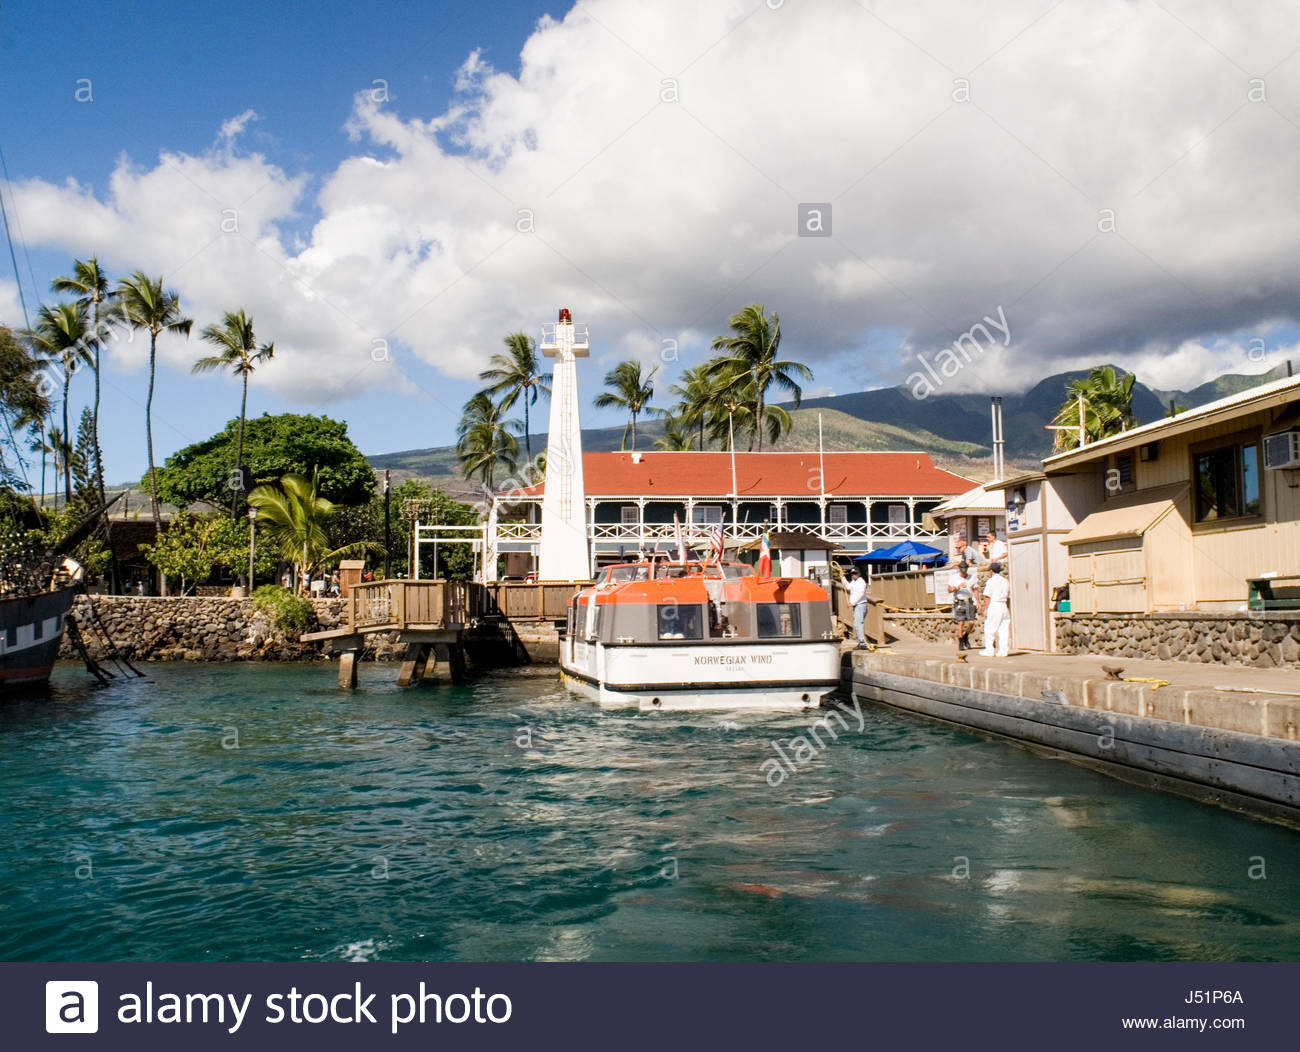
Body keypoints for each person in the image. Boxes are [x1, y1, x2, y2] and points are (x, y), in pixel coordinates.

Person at [979, 560, 1011, 657]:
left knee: (990, 629)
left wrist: (985, 609)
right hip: (1003, 605)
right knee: (1004, 629)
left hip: (994, 605)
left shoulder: (991, 581)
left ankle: (989, 650)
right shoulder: (1005, 581)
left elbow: (987, 596)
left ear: (991, 571)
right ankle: (1003, 651)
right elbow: (1008, 597)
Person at [947, 561, 977, 652]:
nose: (964, 571)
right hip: (959, 601)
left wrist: (978, 601)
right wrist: (957, 587)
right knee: (961, 623)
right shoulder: (954, 578)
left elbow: (975, 589)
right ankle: (961, 642)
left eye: (965, 569)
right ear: (960, 569)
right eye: (962, 569)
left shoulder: (971, 577)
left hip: (969, 601)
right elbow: (949, 590)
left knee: (971, 622)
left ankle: (965, 636)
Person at [848, 566, 868, 649]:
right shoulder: (853, 582)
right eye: (852, 574)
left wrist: (853, 603)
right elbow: (848, 587)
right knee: (856, 624)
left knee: (858, 623)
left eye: (855, 573)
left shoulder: (861, 582)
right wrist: (842, 578)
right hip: (856, 605)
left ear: (859, 574)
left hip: (860, 605)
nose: (853, 575)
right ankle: (861, 642)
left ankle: (862, 643)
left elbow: (861, 593)